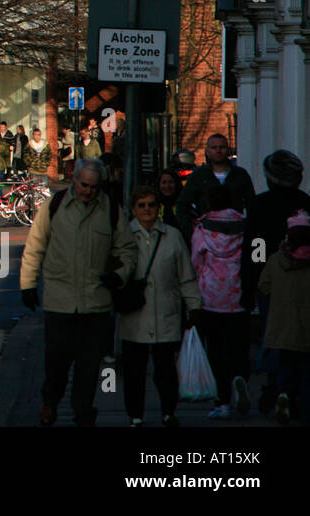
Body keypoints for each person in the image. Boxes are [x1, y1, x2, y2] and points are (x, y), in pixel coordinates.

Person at [19, 159, 137, 426]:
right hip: (60, 303)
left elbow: (128, 250)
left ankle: (83, 413)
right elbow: (35, 245)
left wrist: (118, 274)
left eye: (94, 187)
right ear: (74, 180)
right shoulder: (55, 205)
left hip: (95, 305)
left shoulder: (110, 210)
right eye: (84, 185)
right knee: (56, 365)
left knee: (88, 368)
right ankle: (50, 401)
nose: (88, 192)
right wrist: (27, 285)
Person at [119, 185, 201, 428]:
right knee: (134, 371)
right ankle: (135, 414)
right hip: (135, 316)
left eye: (151, 205)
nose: (147, 210)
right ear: (133, 209)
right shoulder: (123, 237)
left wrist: (194, 306)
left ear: (159, 207)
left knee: (166, 370)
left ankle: (169, 411)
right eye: (141, 205)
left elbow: (186, 275)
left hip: (167, 314)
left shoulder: (173, 236)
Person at [245, 150, 310, 413]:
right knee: (303, 339)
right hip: (304, 279)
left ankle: (275, 387)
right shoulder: (305, 203)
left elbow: (255, 244)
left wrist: (254, 274)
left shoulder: (260, 205)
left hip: (271, 279)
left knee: (274, 336)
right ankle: (294, 392)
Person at [190, 183, 252, 419]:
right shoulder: (245, 226)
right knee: (238, 346)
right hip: (238, 295)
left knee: (215, 351)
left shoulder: (203, 228)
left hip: (211, 297)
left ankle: (222, 400)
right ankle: (240, 377)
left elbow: (196, 260)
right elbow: (256, 254)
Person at [257, 210, 310, 425]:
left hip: (283, 327)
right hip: (307, 328)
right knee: (307, 373)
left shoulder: (276, 259)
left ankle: (283, 395)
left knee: (286, 365)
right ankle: (305, 410)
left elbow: (263, 285)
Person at [178, 133, 257, 245]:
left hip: (236, 237)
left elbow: (252, 204)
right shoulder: (199, 175)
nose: (218, 151)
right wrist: (191, 233)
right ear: (207, 151)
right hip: (206, 238)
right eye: (214, 147)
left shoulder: (240, 175)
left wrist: (249, 231)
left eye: (222, 147)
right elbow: (183, 204)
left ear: (228, 150)